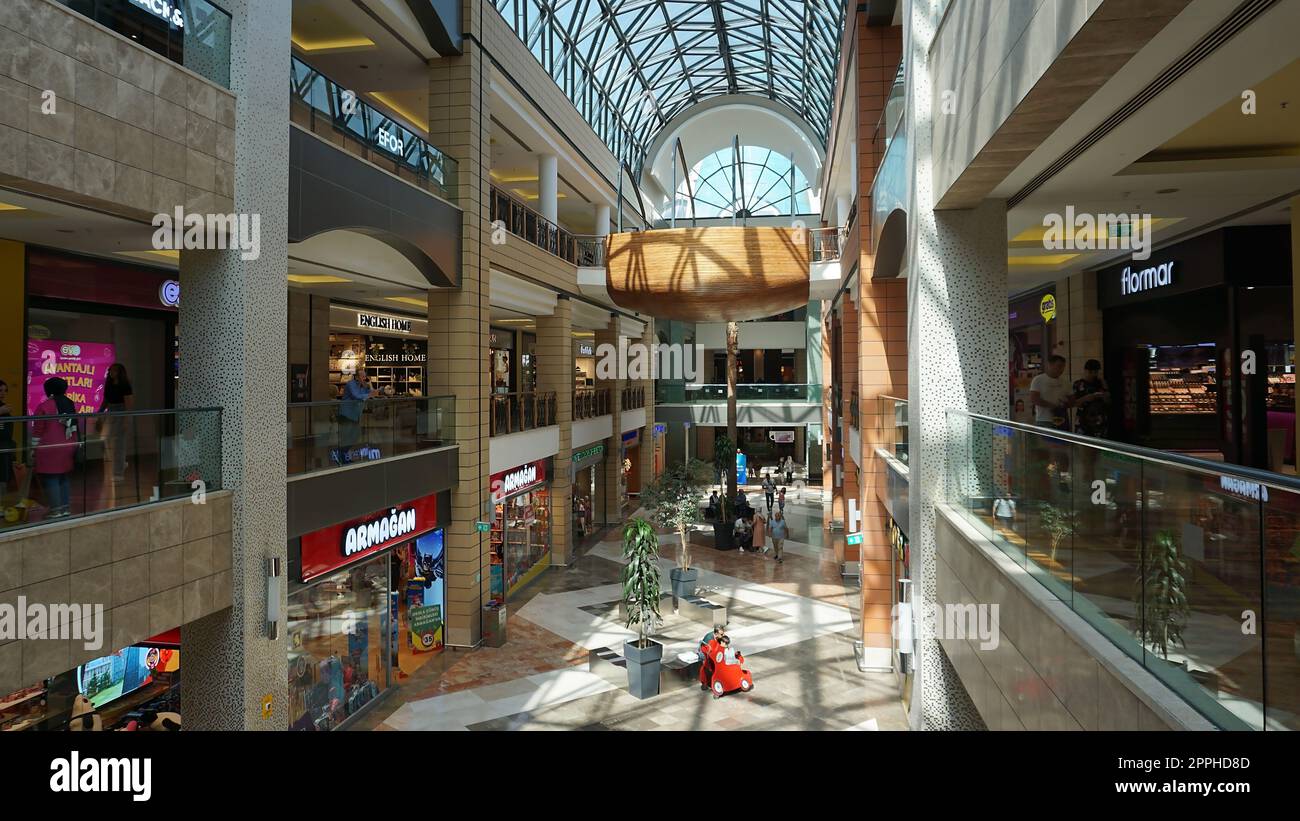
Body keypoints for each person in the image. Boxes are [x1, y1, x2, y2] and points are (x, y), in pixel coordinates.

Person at [30, 377, 80, 519]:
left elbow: (38, 431)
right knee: (63, 477)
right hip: (68, 445)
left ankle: (55, 510)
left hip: (49, 448)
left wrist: (32, 450)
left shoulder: (45, 406)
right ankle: (65, 509)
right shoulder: (69, 403)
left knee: (51, 478)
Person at [98, 363, 134, 481]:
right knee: (104, 440)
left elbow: (128, 403)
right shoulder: (108, 384)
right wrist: (99, 413)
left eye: (114, 371)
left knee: (119, 443)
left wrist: (126, 419)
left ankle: (118, 471)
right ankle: (120, 463)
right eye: (110, 371)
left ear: (120, 372)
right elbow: (106, 400)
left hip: (121, 411)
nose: (111, 373)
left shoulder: (125, 385)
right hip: (111, 411)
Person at [1029, 355, 1073, 431]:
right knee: (1045, 442)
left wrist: (1065, 404)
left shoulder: (1066, 382)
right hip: (1044, 420)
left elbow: (1072, 400)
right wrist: (1052, 406)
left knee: (1063, 442)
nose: (1061, 369)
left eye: (1063, 367)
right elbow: (1034, 399)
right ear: (1050, 365)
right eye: (1059, 366)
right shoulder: (1038, 380)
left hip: (1062, 420)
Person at [339, 367, 378, 447]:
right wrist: (369, 394)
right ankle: (343, 456)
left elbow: (373, 394)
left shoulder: (363, 386)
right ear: (356, 377)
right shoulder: (351, 384)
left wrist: (370, 384)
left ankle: (347, 454)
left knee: (355, 436)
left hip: (355, 415)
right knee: (346, 436)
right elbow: (356, 396)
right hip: (347, 415)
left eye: (365, 376)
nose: (365, 378)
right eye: (362, 376)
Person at [1072, 359, 1110, 438]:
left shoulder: (1101, 383)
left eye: (1095, 372)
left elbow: (1108, 401)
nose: (1093, 375)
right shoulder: (1078, 384)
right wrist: (1085, 398)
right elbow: (1073, 403)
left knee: (1099, 445)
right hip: (1083, 420)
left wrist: (1105, 395)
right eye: (1090, 372)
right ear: (1085, 371)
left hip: (1099, 419)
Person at [0, 380, 13, 502]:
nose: (2, 393)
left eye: (5, 390)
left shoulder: (5, 406)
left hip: (4, 446)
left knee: (3, 476)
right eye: (0, 390)